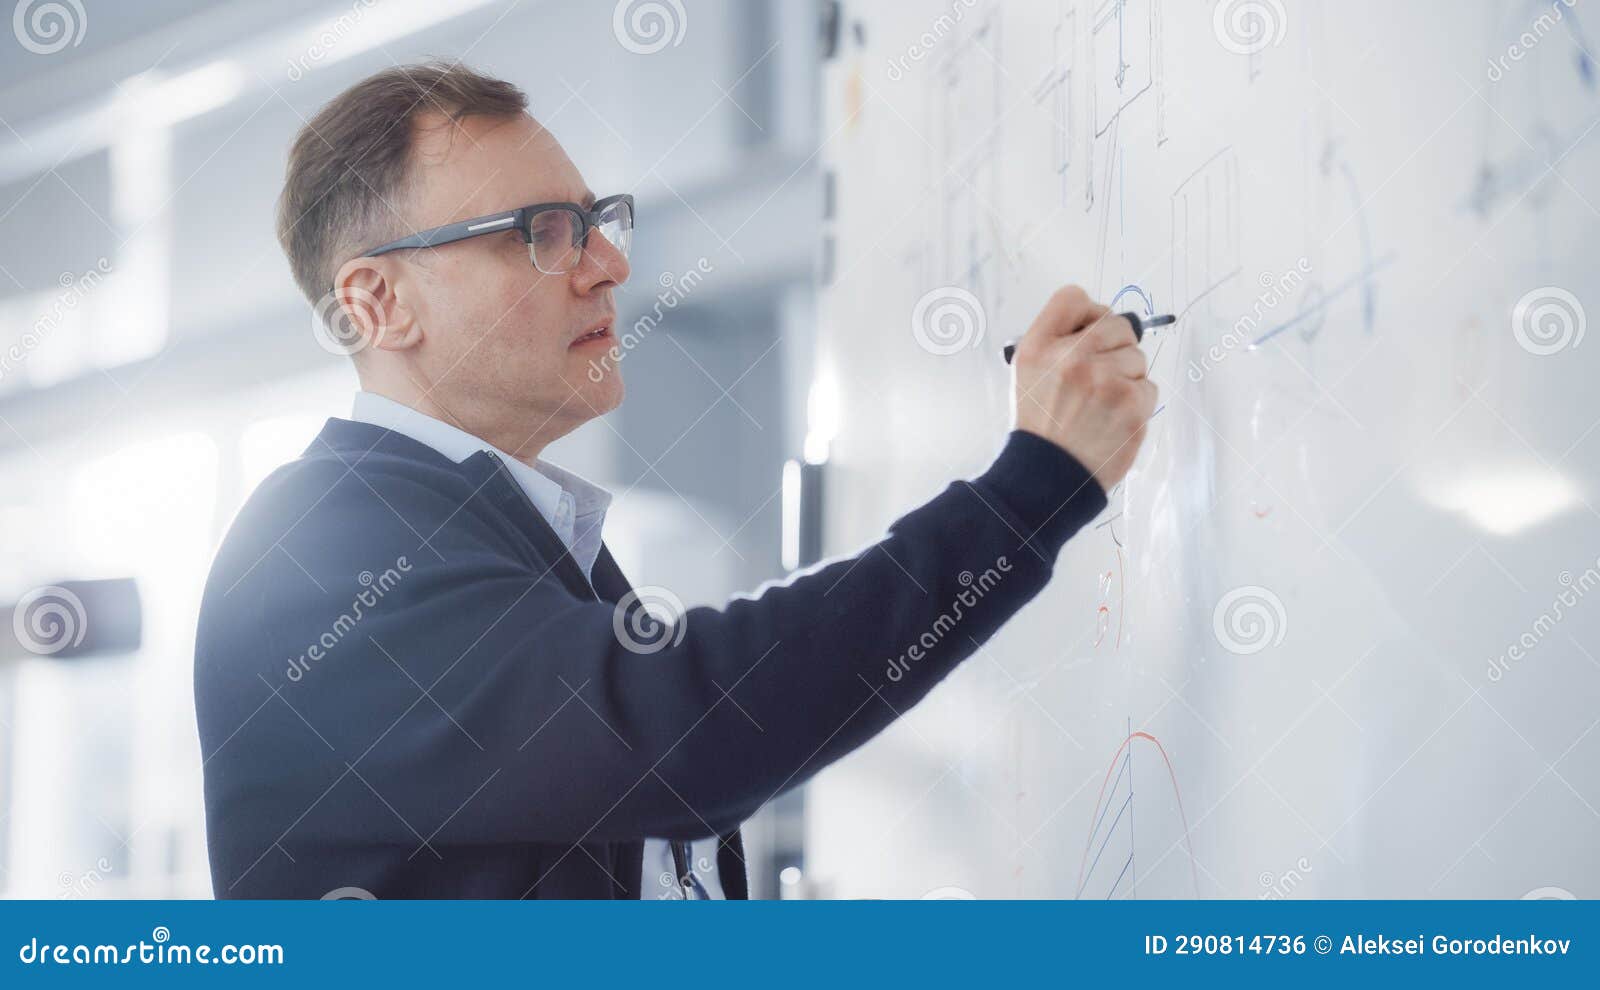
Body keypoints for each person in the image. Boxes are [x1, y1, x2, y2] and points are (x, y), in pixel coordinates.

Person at [194, 60, 1156, 899]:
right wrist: (1035, 485)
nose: (608, 263)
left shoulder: (509, 541)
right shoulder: (320, 554)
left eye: (596, 220)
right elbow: (691, 729)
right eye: (542, 230)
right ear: (378, 301)